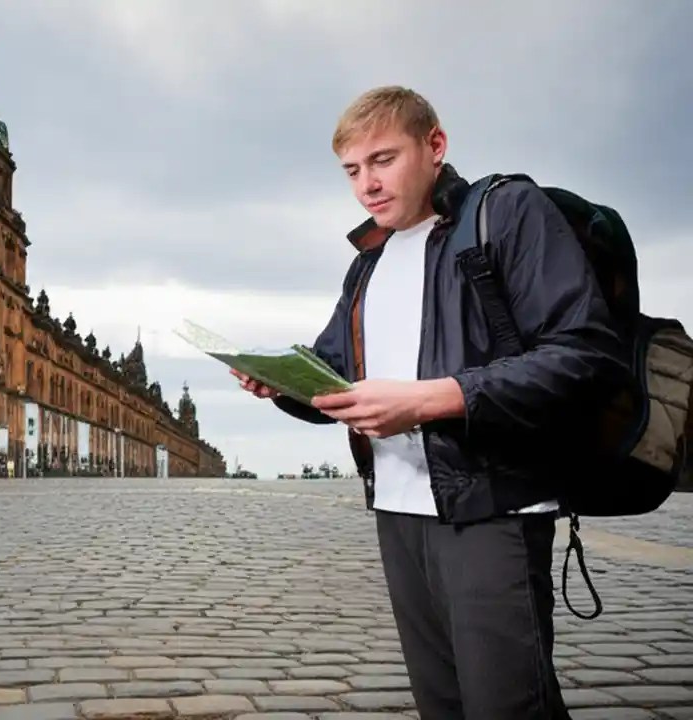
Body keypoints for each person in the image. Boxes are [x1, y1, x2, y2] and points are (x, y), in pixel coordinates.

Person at [234, 86, 627, 720]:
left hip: (492, 507)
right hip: (397, 509)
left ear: (435, 146)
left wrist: (432, 400)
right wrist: (281, 384)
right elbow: (333, 377)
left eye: (383, 160)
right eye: (352, 170)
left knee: (506, 706)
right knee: (441, 706)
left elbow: (584, 355)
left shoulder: (506, 212)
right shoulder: (369, 261)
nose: (367, 185)